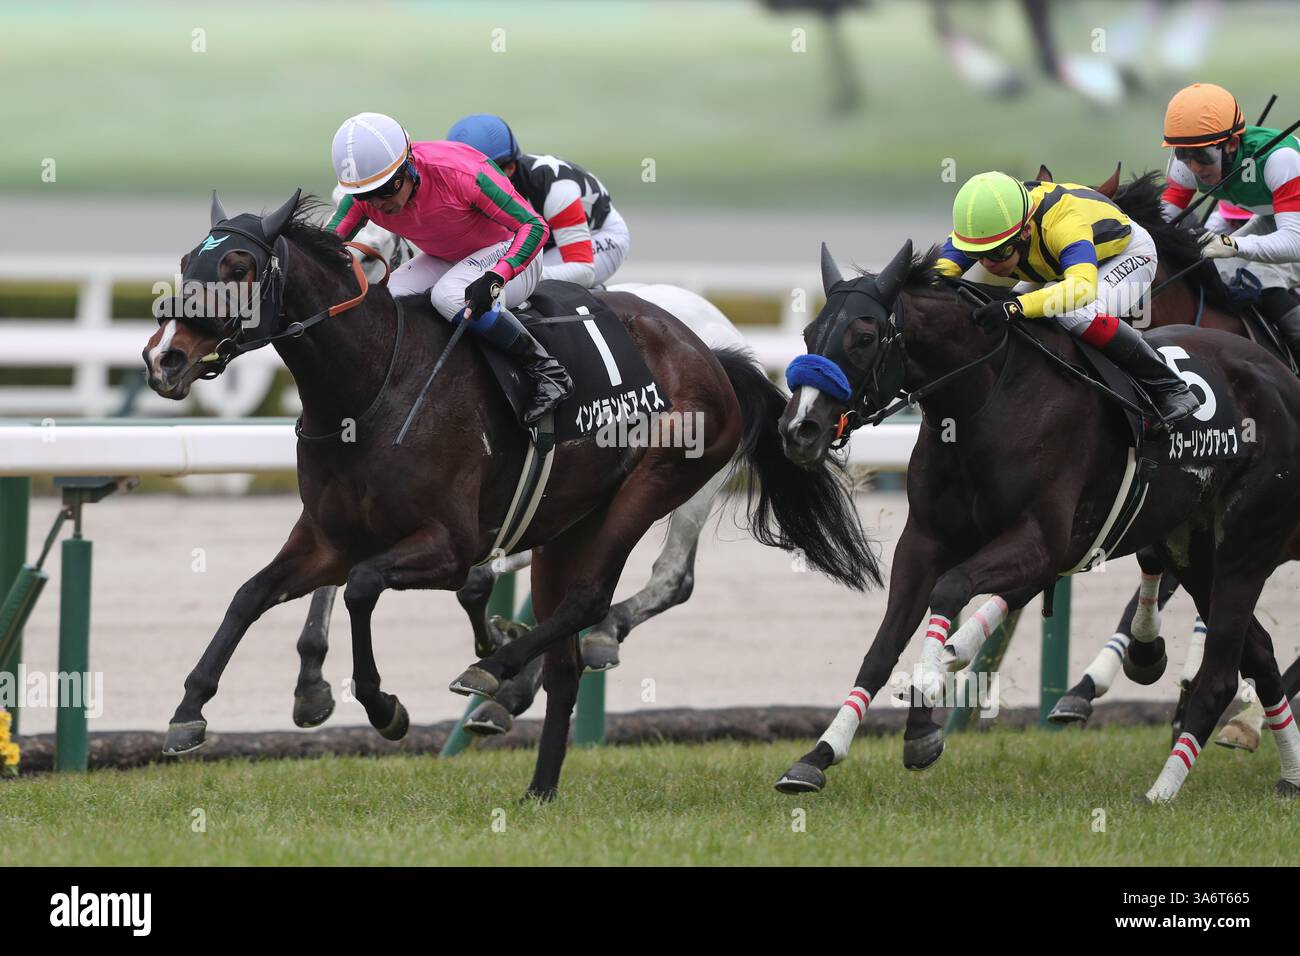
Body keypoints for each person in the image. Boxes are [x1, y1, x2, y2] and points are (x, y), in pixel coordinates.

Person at [327, 112, 570, 425]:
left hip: (512, 252)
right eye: (364, 196)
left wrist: (497, 276)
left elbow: (534, 226)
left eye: (386, 189)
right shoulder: (367, 196)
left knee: (448, 296)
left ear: (409, 164)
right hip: (449, 256)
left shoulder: (462, 173)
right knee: (384, 300)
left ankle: (547, 371)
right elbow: (324, 245)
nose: (377, 204)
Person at [937, 170, 1200, 424]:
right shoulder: (984, 229)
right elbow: (936, 277)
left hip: (1127, 254)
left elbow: (1081, 289)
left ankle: (1171, 386)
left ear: (1025, 231)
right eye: (976, 254)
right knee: (1016, 311)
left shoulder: (1062, 222)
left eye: (997, 253)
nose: (986, 264)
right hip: (1063, 265)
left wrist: (1015, 307)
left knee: (1074, 312)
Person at [1160, 82, 1300, 357]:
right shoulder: (1187, 166)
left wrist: (1235, 245)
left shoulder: (1280, 160)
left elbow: (1295, 242)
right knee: (1216, 268)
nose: (1194, 167)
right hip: (1274, 217)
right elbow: (1163, 221)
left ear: (1231, 144)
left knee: (1261, 276)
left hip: (1294, 231)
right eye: (1183, 154)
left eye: (1201, 155)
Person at [446, 114, 629, 289]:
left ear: (510, 168)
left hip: (599, 236)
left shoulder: (556, 188)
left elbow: (583, 271)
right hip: (547, 241)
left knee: (518, 281)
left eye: (479, 176)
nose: (467, 184)